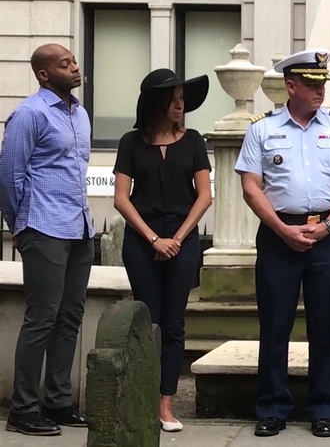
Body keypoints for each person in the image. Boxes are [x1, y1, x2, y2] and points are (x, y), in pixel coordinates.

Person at [234, 49, 330, 438]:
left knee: (325, 326)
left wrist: (328, 226)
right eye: (311, 84)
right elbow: (251, 186)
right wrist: (280, 229)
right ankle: (272, 407)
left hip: (327, 235)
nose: (319, 90)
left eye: (322, 83)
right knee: (275, 326)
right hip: (279, 236)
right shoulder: (262, 130)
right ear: (291, 86)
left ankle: (324, 408)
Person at [112, 68, 213, 432]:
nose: (180, 106)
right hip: (142, 240)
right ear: (156, 103)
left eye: (182, 100)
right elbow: (121, 199)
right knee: (148, 320)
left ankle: (165, 404)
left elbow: (204, 196)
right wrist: (154, 239)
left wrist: (177, 239)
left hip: (183, 239)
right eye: (173, 100)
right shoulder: (130, 142)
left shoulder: (194, 141)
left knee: (173, 322)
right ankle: (142, 394)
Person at [0, 44, 93, 436]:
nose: (74, 68)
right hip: (44, 227)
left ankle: (57, 402)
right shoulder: (29, 114)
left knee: (69, 317)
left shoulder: (80, 114)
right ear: (43, 74)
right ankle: (22, 410)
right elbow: (10, 176)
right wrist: (20, 228)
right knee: (41, 318)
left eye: (74, 62)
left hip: (80, 227)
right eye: (64, 64)